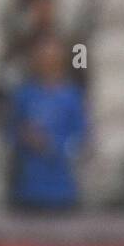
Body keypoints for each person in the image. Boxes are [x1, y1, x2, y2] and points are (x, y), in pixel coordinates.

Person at [6, 35, 87, 212]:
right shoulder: (25, 95)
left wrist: (50, 144)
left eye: (52, 55)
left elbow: (80, 139)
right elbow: (11, 132)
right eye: (42, 55)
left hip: (62, 190)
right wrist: (24, 137)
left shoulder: (71, 96)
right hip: (27, 189)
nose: (47, 60)